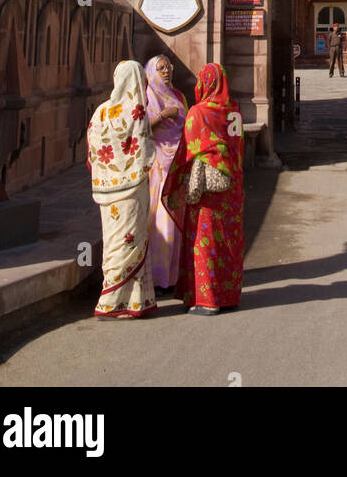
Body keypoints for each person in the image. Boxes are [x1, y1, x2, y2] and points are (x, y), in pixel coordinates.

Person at [163, 63, 244, 315]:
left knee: (204, 242)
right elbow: (238, 147)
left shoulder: (198, 113)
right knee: (228, 242)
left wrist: (174, 182)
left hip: (206, 191)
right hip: (231, 186)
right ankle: (228, 295)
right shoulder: (234, 111)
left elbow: (186, 149)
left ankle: (207, 299)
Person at [86, 59, 156, 319]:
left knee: (114, 242)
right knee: (132, 242)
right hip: (132, 190)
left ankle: (111, 297)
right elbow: (146, 152)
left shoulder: (101, 111)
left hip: (106, 193)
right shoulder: (136, 111)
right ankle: (127, 302)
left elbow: (91, 150)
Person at [144, 54, 187, 293]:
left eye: (168, 67)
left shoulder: (178, 95)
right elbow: (142, 128)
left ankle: (174, 273)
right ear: (152, 72)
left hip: (178, 161)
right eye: (160, 68)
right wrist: (163, 115)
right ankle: (159, 276)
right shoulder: (149, 96)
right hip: (160, 165)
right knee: (162, 218)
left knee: (177, 216)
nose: (166, 72)